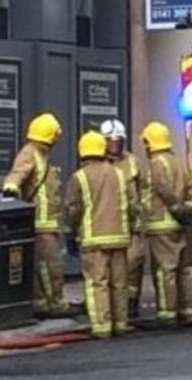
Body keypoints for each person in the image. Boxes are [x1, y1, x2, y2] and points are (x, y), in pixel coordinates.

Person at [65, 131, 137, 338]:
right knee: (119, 282)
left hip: (94, 239)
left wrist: (70, 232)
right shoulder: (120, 174)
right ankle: (121, 323)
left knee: (98, 283)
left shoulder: (79, 177)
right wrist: (130, 229)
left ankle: (102, 326)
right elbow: (133, 205)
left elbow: (73, 209)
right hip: (120, 238)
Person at [2, 112, 71, 318]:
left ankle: (42, 303)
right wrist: (11, 188)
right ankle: (53, 304)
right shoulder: (30, 152)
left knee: (43, 266)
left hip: (46, 223)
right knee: (50, 266)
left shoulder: (40, 154)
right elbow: (17, 174)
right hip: (40, 224)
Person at [139, 121, 192, 325]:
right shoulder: (179, 162)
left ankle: (167, 312)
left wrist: (175, 208)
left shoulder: (156, 162)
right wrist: (188, 209)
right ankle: (187, 309)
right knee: (183, 270)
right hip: (179, 225)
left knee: (166, 271)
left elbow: (162, 188)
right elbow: (191, 188)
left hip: (161, 224)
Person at [100, 118, 147, 320]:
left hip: (131, 224)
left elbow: (144, 189)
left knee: (134, 263)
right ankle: (110, 306)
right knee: (107, 269)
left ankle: (131, 302)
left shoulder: (132, 162)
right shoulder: (98, 162)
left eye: (118, 140)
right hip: (108, 223)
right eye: (110, 140)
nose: (115, 144)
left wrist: (141, 214)